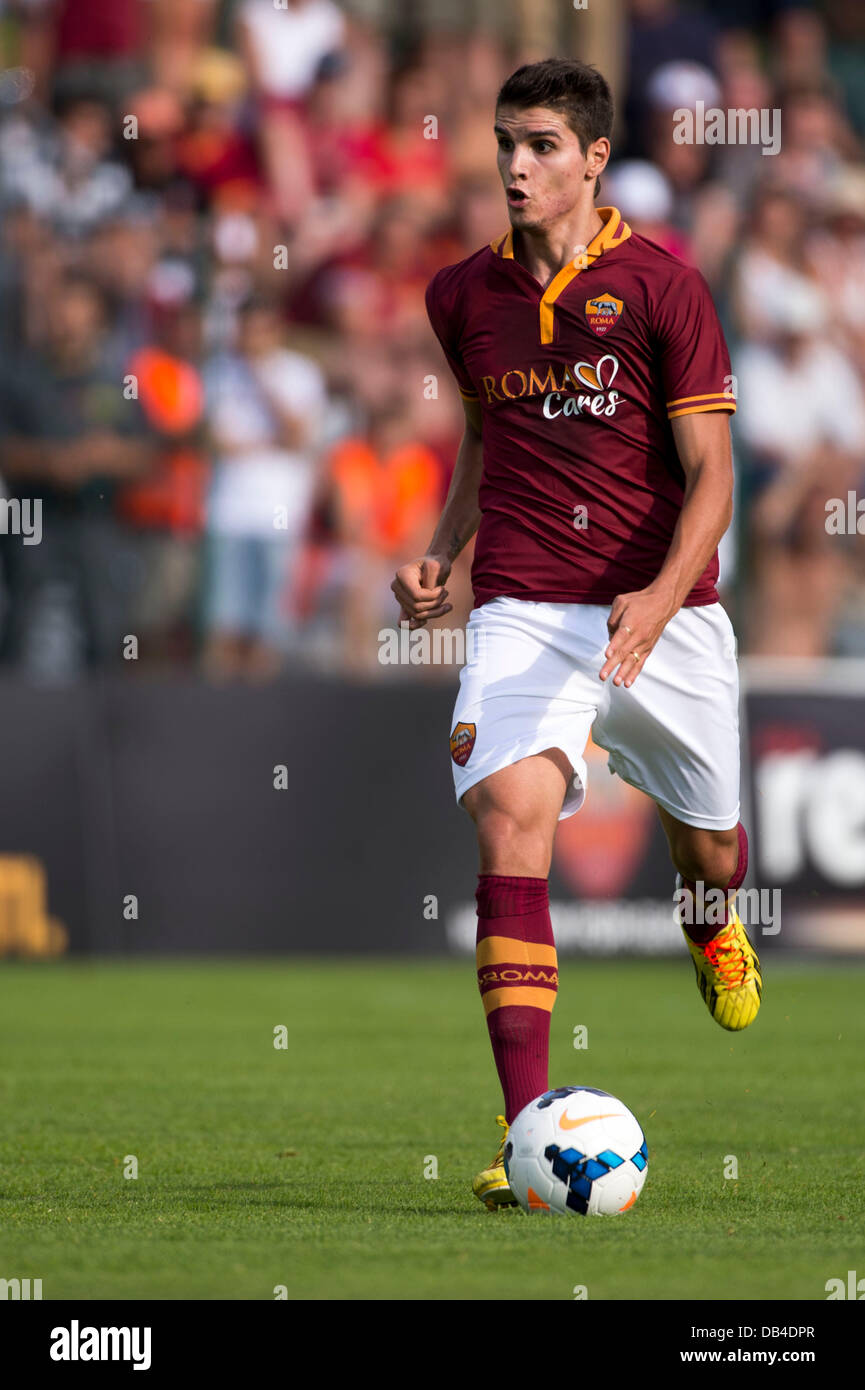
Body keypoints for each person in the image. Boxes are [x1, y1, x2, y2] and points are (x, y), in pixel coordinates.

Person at [391, 58, 761, 1211]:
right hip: (523, 604)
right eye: (506, 141)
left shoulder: (664, 287)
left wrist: (659, 593)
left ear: (595, 158)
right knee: (511, 820)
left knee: (711, 852)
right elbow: (483, 439)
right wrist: (444, 551)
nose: (515, 163)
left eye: (541, 143)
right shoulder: (460, 295)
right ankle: (524, 1137)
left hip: (664, 609)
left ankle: (711, 924)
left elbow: (714, 477)